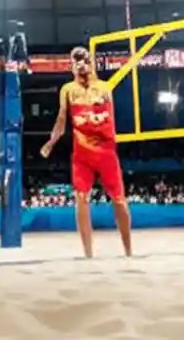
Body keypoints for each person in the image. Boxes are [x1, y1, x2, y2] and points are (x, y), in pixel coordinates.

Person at [40, 46, 132, 258]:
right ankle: (88, 254)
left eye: (83, 61)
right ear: (71, 67)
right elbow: (61, 121)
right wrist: (51, 142)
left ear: (90, 64)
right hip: (82, 155)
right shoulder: (68, 90)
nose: (80, 65)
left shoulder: (104, 88)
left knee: (119, 199)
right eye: (76, 62)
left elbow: (109, 120)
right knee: (81, 198)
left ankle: (128, 250)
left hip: (106, 152)